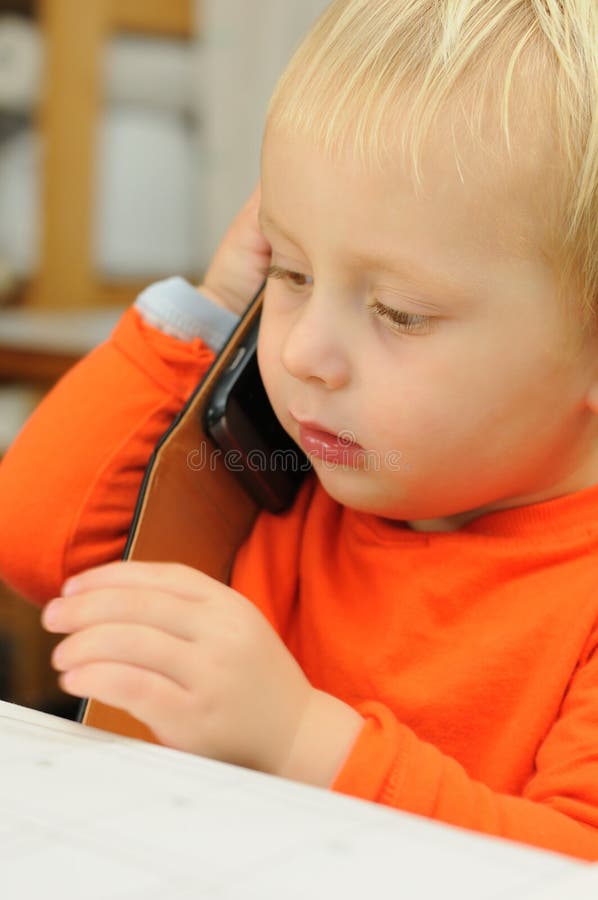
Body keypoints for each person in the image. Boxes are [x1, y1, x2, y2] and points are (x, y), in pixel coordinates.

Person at [1, 0, 598, 860]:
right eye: (292, 272)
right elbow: (36, 542)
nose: (308, 353)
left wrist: (300, 743)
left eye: (401, 312)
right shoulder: (289, 480)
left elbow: (570, 863)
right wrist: (211, 310)